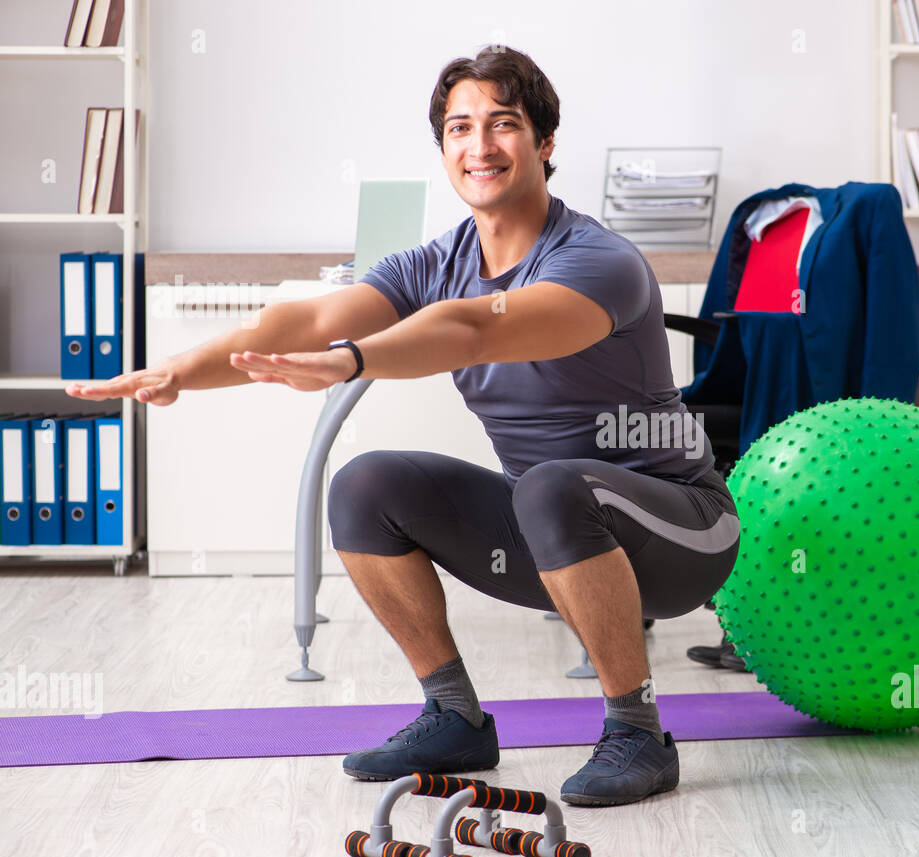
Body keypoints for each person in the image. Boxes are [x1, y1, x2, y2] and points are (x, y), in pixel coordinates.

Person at [68, 45, 739, 807]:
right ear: (443, 147)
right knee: (365, 484)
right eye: (459, 128)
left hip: (685, 533)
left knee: (552, 486)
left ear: (546, 144)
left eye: (503, 124)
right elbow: (312, 316)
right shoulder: (436, 261)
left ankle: (638, 733)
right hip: (554, 536)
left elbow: (476, 329)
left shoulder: (599, 260)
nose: (479, 146)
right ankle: (454, 715)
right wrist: (183, 370)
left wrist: (352, 360)